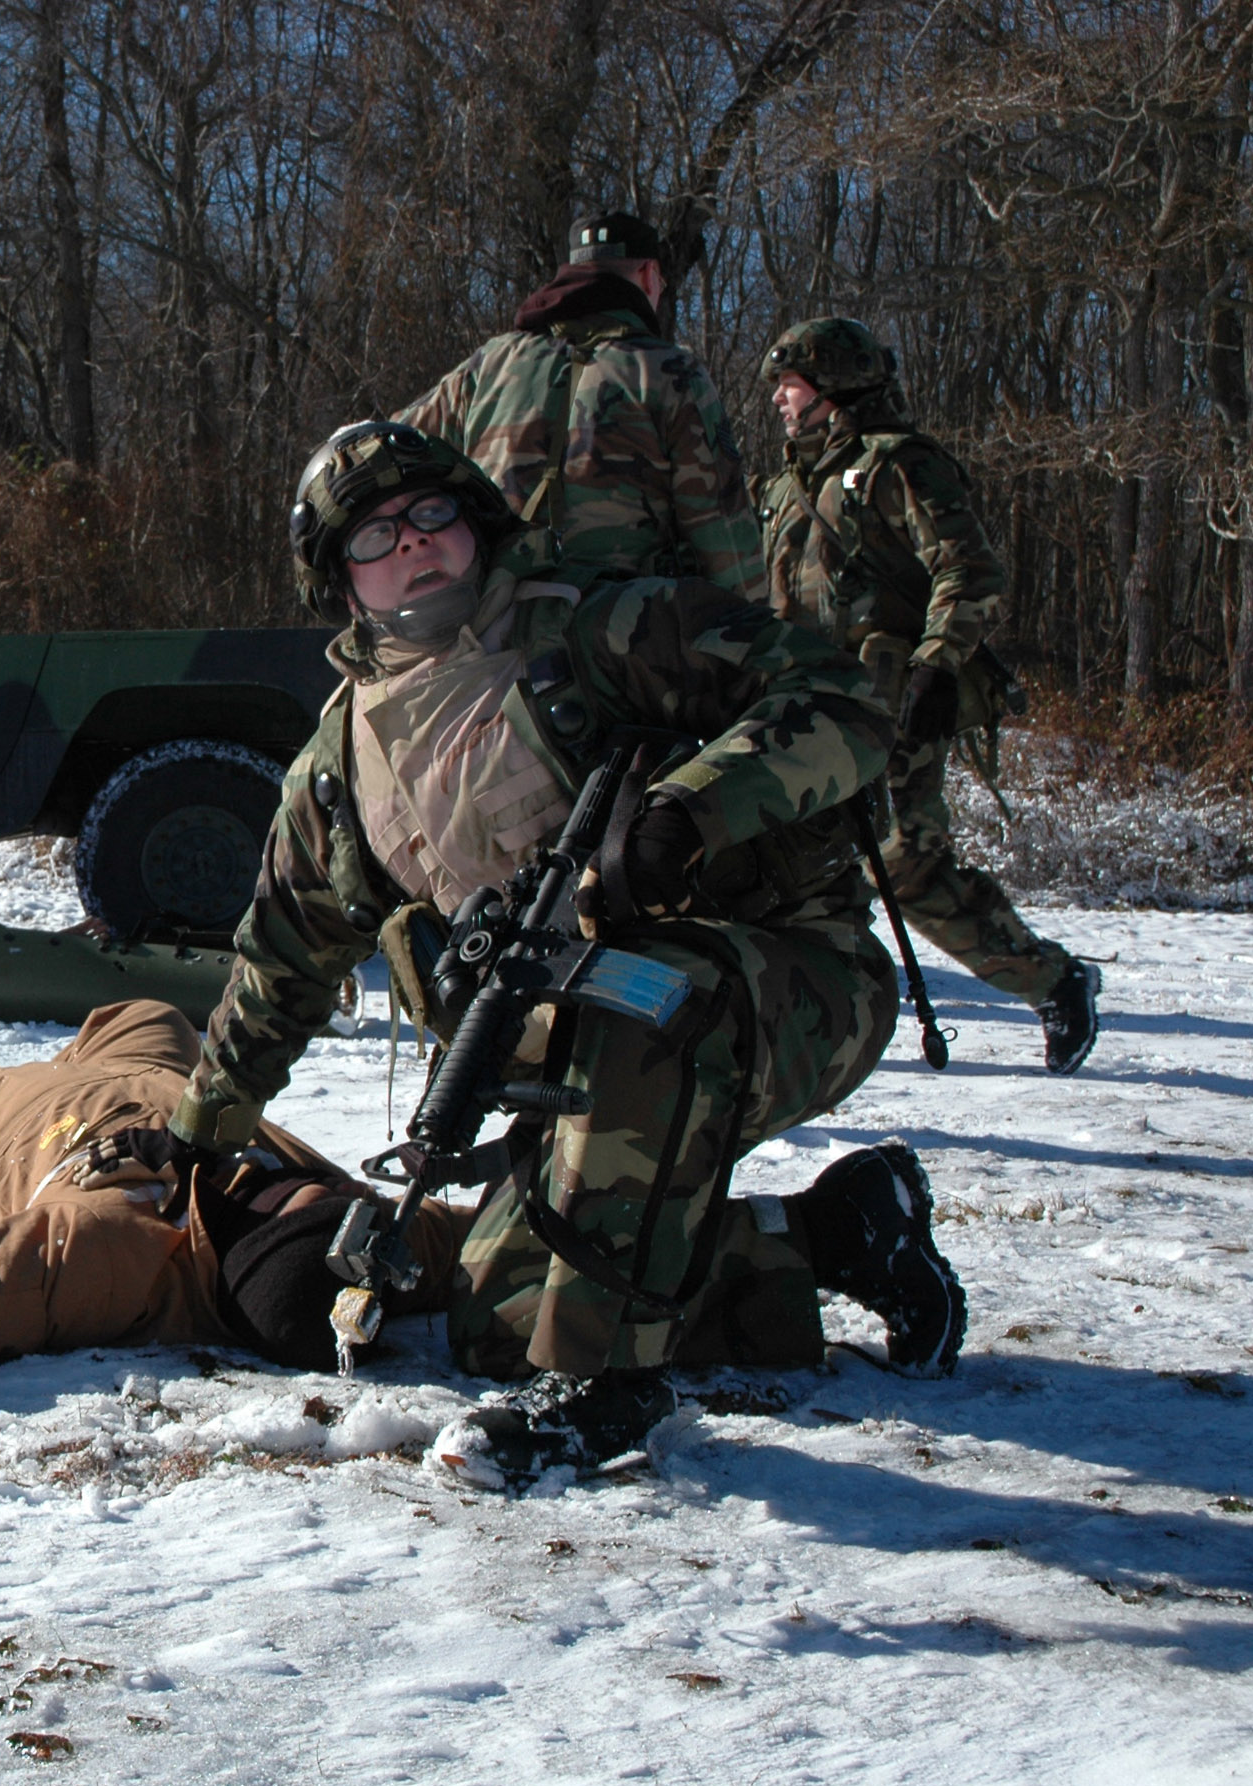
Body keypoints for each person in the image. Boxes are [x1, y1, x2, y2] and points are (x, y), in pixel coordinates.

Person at [131, 418, 959, 1486]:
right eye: (376, 536)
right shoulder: (340, 770)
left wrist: (693, 814)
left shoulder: (602, 629)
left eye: (431, 513)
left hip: (788, 979)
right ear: (342, 584)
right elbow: (280, 963)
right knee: (505, 1314)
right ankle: (837, 1236)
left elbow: (845, 701)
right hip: (571, 1057)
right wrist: (203, 1129)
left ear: (474, 522)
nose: (414, 542)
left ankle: (607, 1388)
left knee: (632, 1016)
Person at [0, 996, 966, 1486]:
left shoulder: (118, 1239)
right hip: (142, 1058)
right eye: (298, 1209)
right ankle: (817, 1235)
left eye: (290, 1215)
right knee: (138, 1011)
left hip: (3, 1135)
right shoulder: (330, 1216)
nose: (291, 1201)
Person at [755, 318, 1101, 1074]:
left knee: (905, 862)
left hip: (892, 703)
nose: (779, 399)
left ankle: (1052, 979)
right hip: (798, 706)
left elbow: (969, 569)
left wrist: (939, 665)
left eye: (792, 384)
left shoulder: (898, 464)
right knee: (782, 865)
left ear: (835, 385)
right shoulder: (784, 485)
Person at [399, 209, 763, 600]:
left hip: (498, 631)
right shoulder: (670, 372)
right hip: (625, 635)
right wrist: (750, 635)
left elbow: (393, 449)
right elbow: (723, 531)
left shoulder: (489, 365)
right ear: (648, 275)